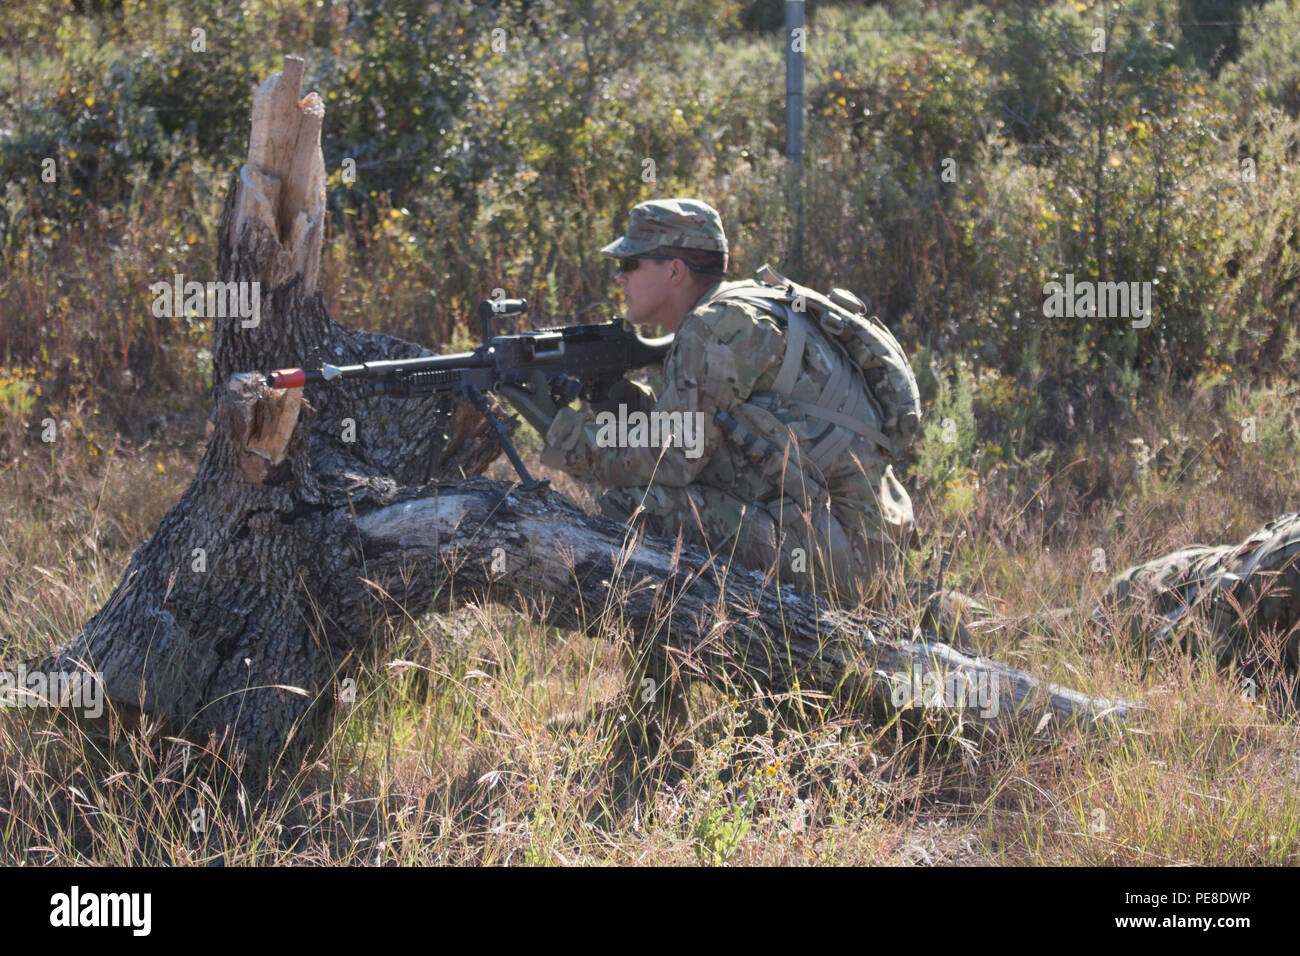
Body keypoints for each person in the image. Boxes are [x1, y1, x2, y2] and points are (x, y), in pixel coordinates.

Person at [501, 198, 917, 603]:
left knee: (639, 508)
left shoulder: (715, 328)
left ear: (675, 270)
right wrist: (611, 397)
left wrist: (563, 431)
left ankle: (678, 663)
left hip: (844, 554)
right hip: (863, 538)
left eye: (630, 264)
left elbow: (672, 460)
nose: (619, 278)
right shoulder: (746, 305)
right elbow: (698, 435)